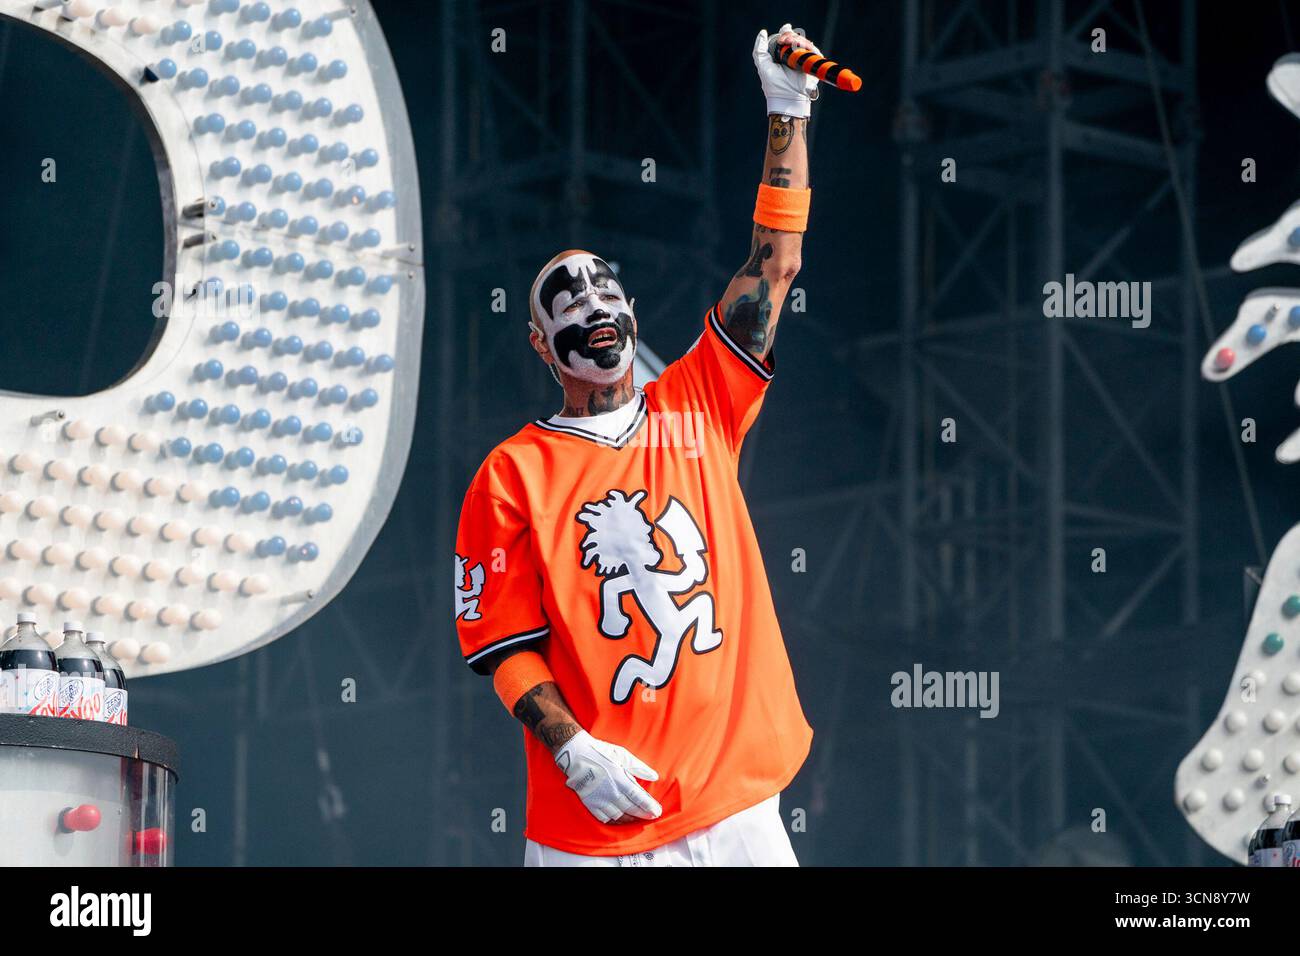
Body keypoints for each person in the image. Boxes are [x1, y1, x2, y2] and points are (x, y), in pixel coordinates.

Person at [454, 23, 827, 866]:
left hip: (737, 805)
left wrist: (787, 109)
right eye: (567, 300)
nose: (592, 304)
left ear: (631, 315)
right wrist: (572, 751)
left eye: (604, 287)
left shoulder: (697, 401)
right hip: (597, 831)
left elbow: (774, 266)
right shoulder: (511, 475)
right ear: (542, 345)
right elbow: (503, 646)